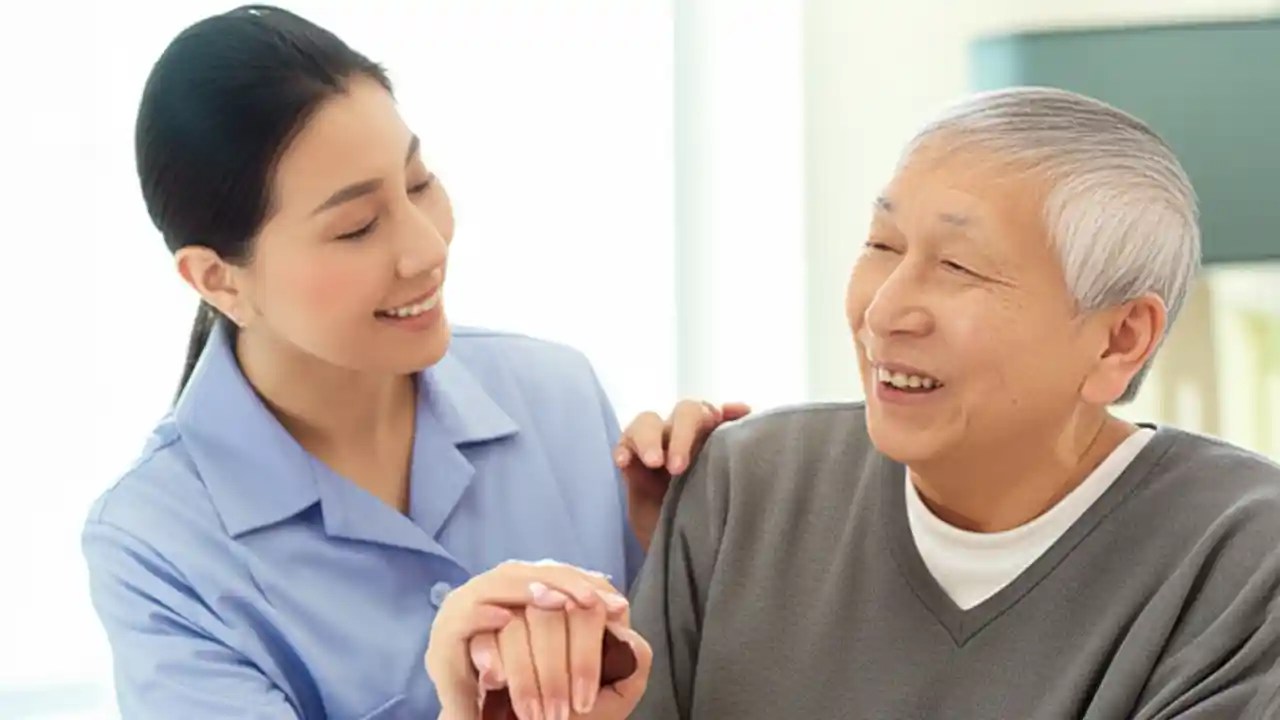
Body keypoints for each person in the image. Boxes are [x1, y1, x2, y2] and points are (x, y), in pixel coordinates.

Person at [81, 6, 741, 718]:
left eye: (419, 182)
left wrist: (686, 546)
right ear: (218, 280)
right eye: (357, 227)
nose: (428, 248)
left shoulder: (560, 397)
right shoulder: (158, 543)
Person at [614, 87, 1280, 718]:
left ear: (1118, 340)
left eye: (959, 266)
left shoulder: (1243, 552)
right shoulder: (745, 489)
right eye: (882, 245)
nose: (883, 311)